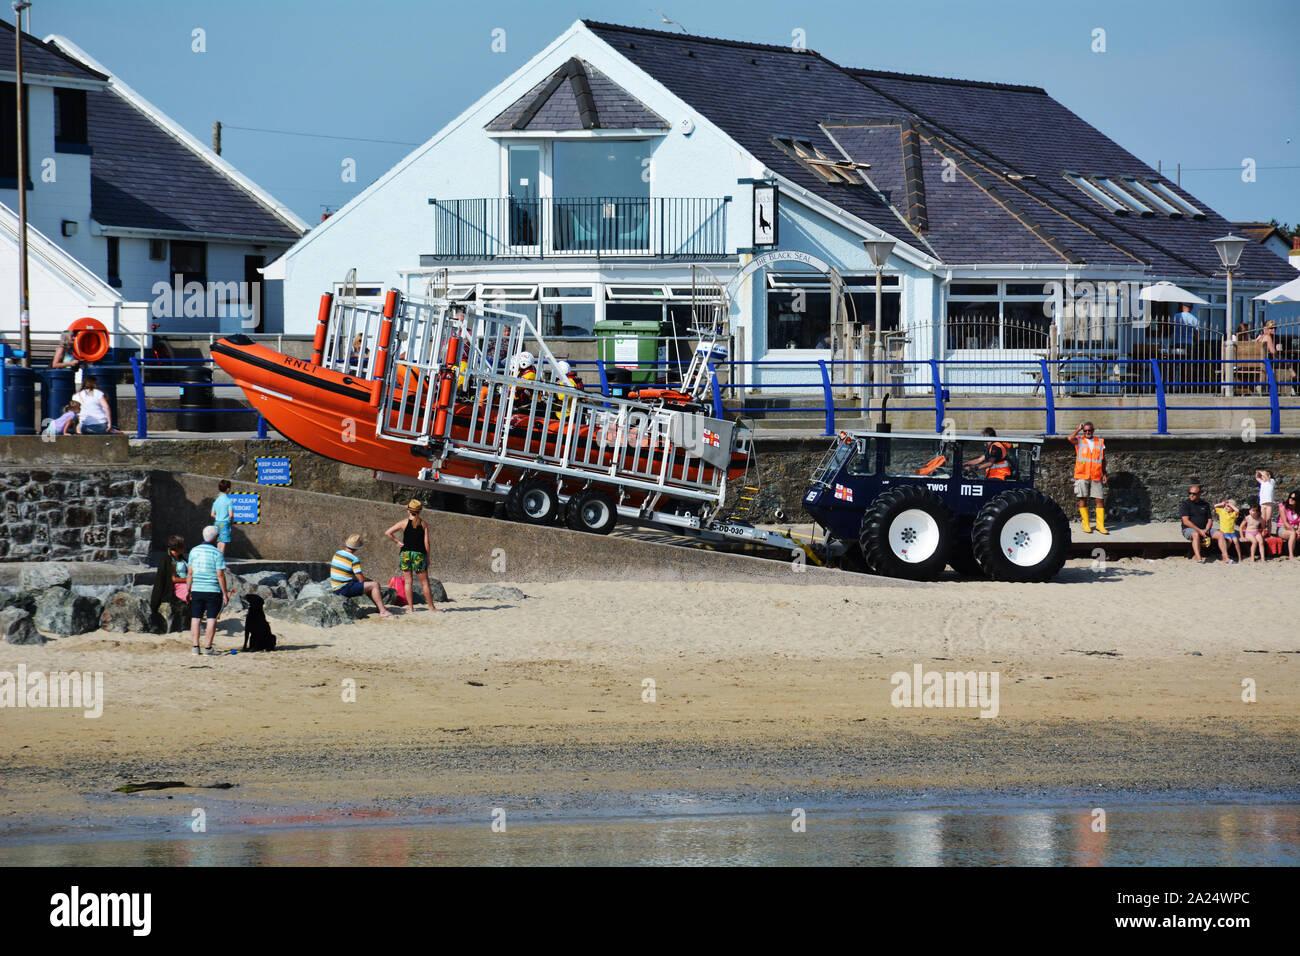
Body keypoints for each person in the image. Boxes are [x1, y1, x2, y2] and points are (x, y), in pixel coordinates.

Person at [384, 500, 439, 613]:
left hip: (405, 554)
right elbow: (427, 543)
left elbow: (388, 532)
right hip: (418, 554)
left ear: (408, 510)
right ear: (419, 511)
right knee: (424, 582)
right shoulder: (423, 524)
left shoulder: (403, 523)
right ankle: (431, 607)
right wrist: (428, 558)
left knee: (408, 582)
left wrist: (397, 542)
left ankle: (411, 608)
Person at [185, 526, 230, 655]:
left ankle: (195, 647)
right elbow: (220, 575)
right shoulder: (217, 553)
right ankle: (208, 648)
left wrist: (188, 590)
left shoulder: (194, 551)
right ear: (215, 537)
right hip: (213, 590)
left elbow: (190, 573)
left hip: (197, 589)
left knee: (196, 618)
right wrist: (225, 593)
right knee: (211, 618)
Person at [329, 533, 393, 618]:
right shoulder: (354, 559)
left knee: (369, 584)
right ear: (357, 547)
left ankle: (379, 607)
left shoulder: (338, 553)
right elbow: (361, 580)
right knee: (374, 585)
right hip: (343, 589)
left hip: (335, 587)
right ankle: (383, 611)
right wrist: (369, 580)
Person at [1068, 421, 1108, 534]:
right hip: (1082, 475)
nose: (1087, 432)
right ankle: (1086, 525)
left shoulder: (1100, 442)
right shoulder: (1079, 440)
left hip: (1096, 475)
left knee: (1099, 500)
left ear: (1093, 430)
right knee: (1083, 499)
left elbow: (1103, 459)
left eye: (1089, 430)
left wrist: (1104, 473)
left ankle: (1100, 525)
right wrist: (1078, 429)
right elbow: (1070, 438)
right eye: (1085, 430)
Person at [1179, 484, 1214, 564]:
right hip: (1189, 529)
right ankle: (1199, 558)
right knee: (1195, 534)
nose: (1191, 495)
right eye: (1190, 493)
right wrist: (1199, 531)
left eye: (1193, 494)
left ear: (1199, 494)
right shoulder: (1186, 504)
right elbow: (1186, 521)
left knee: (1220, 534)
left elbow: (1209, 519)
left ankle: (1225, 557)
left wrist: (1206, 530)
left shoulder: (1205, 504)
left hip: (1204, 528)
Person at [1211, 498, 1241, 564]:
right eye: (1226, 506)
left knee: (1236, 541)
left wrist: (1230, 504)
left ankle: (1239, 557)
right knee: (1229, 540)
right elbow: (1214, 506)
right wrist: (1222, 504)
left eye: (1229, 507)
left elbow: (1237, 510)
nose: (1227, 507)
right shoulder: (1222, 511)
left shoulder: (1233, 514)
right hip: (1224, 532)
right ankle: (1224, 554)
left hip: (1232, 532)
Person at [211, 479, 233, 555]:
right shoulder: (228, 501)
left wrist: (218, 518)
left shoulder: (216, 501)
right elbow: (231, 515)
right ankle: (221, 559)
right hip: (225, 523)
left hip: (217, 523)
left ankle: (217, 558)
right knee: (223, 542)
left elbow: (212, 514)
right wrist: (231, 522)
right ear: (228, 489)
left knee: (218, 541)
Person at [1277, 492, 1300, 561]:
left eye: (1293, 498)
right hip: (1283, 527)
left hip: (1295, 527)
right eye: (1290, 497)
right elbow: (1285, 523)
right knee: (1292, 534)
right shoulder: (1282, 506)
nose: (1291, 499)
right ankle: (1291, 555)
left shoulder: (1298, 509)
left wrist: (1299, 530)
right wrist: (1293, 530)